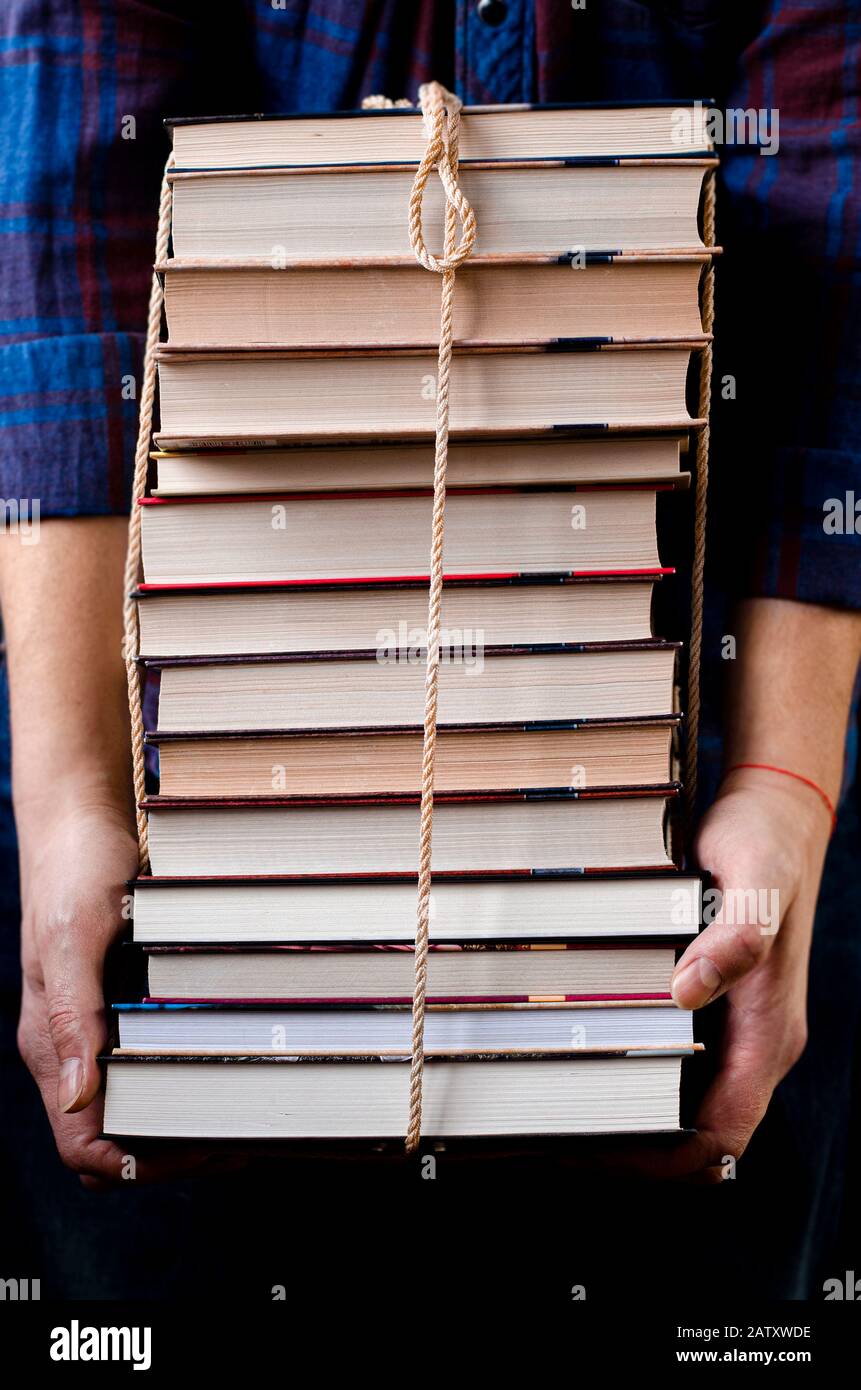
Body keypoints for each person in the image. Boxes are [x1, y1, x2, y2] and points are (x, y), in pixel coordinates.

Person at [0, 0, 859, 1300]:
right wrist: (71, 793)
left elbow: (833, 182)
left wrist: (785, 785)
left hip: (721, 712)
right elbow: (71, 193)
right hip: (173, 735)